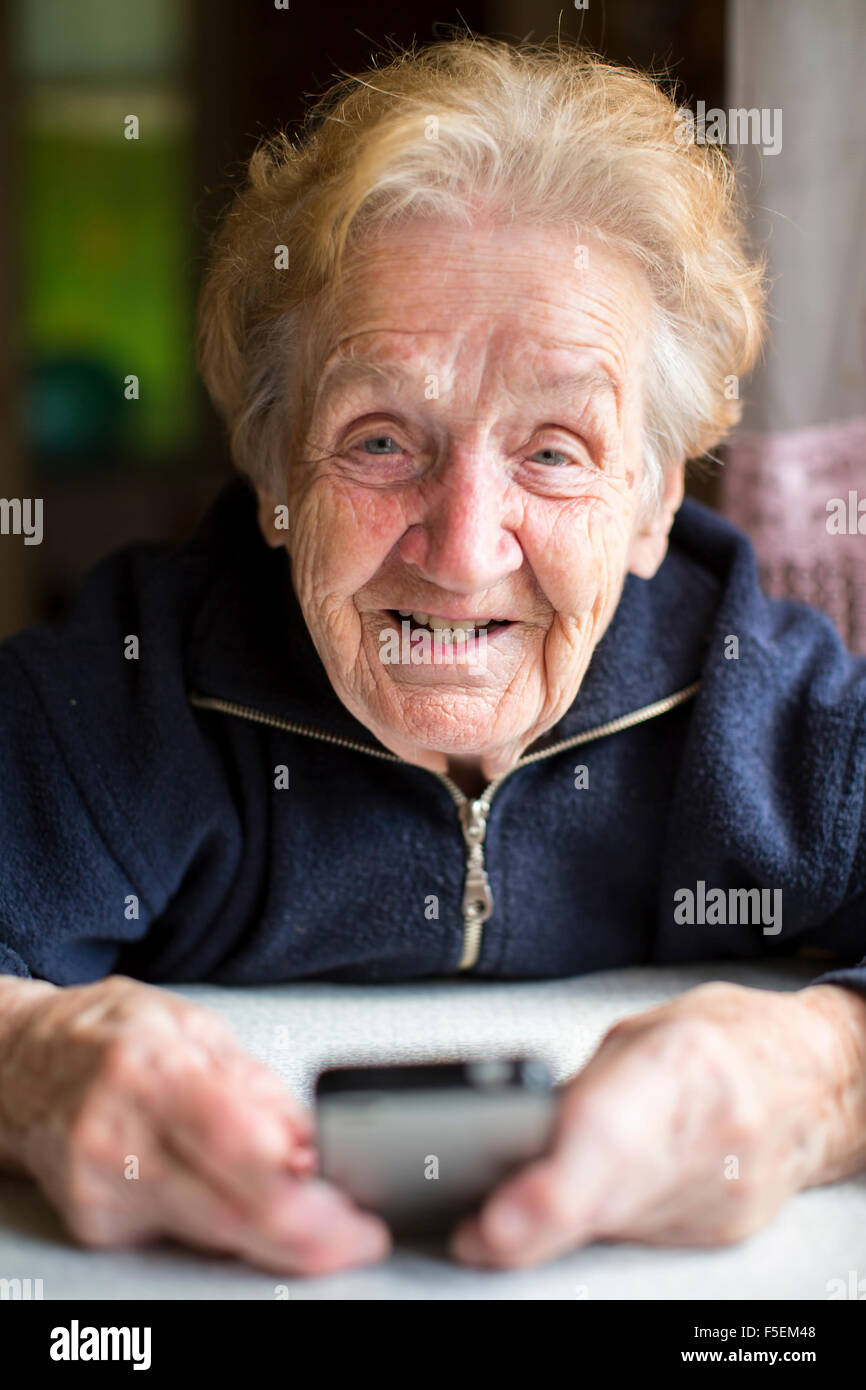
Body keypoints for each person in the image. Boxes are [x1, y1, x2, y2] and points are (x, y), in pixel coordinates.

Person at [1, 37, 865, 1276]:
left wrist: (821, 1074)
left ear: (650, 498)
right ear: (273, 471)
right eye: (380, 440)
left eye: (553, 449)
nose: (460, 553)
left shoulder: (771, 716)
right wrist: (26, 1066)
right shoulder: (125, 702)